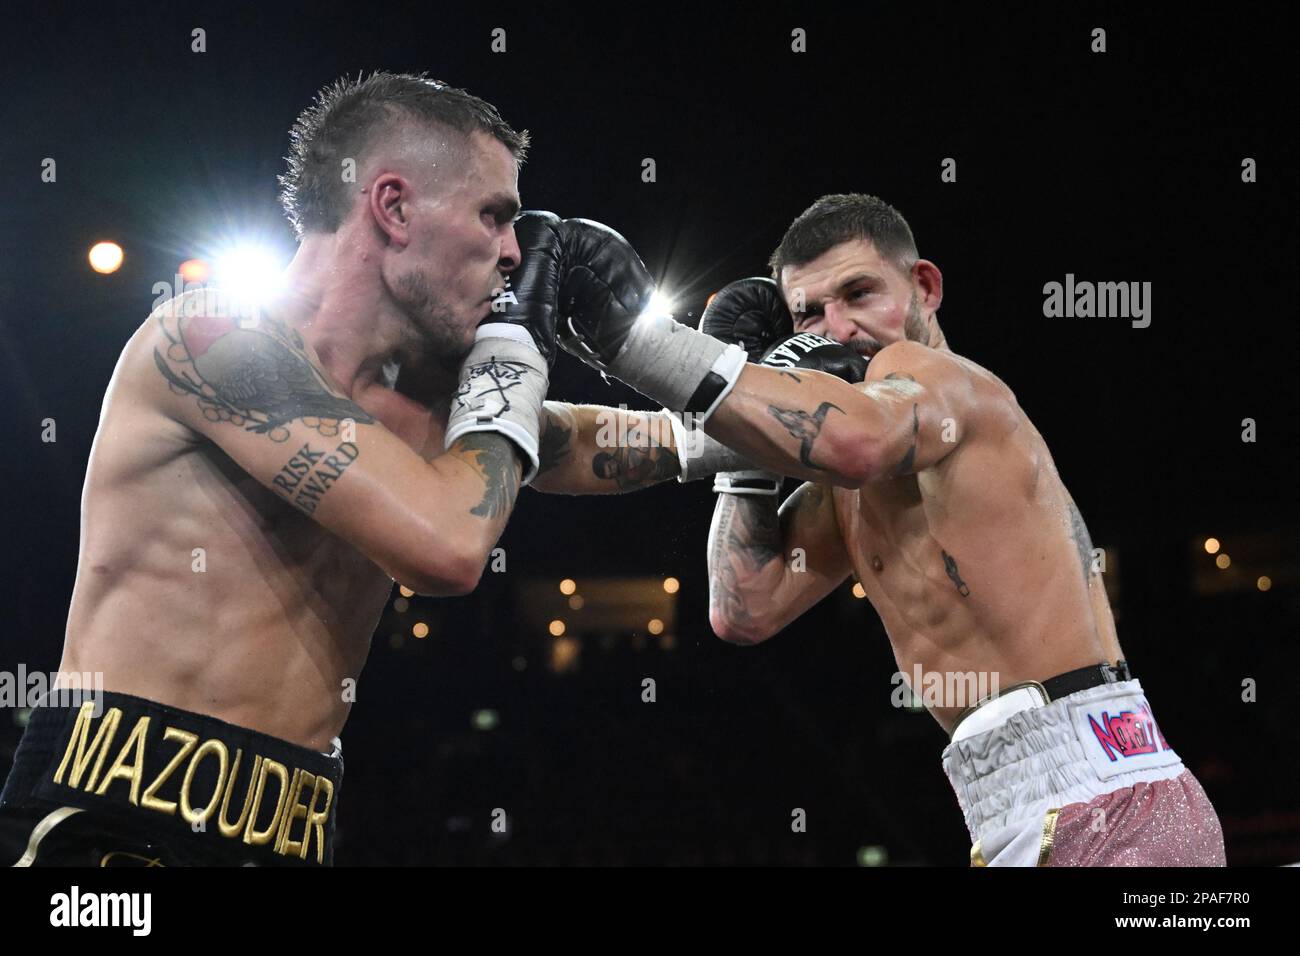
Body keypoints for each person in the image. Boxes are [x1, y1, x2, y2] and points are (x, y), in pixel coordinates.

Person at [555, 193, 1227, 867]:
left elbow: (858, 437)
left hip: (1108, 799)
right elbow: (745, 607)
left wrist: (640, 344)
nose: (838, 329)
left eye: (859, 293)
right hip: (1027, 807)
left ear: (923, 288)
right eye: (809, 313)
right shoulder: (848, 484)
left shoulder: (942, 383)